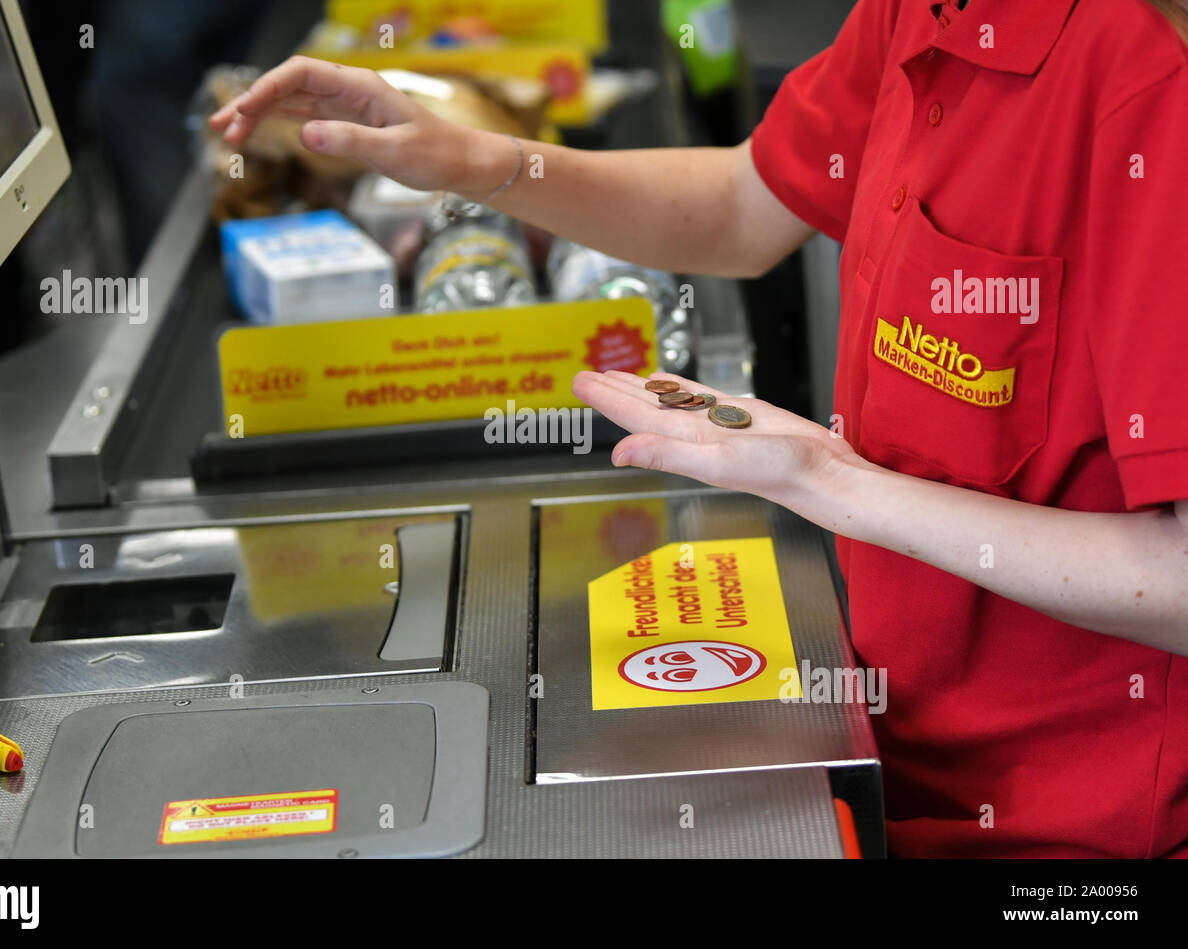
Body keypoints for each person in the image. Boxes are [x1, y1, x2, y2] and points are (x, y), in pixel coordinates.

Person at [213, 0, 1188, 858]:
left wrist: (828, 478)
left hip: (1079, 831)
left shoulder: (1151, 90)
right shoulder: (920, 13)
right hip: (900, 748)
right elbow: (740, 205)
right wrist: (477, 159)